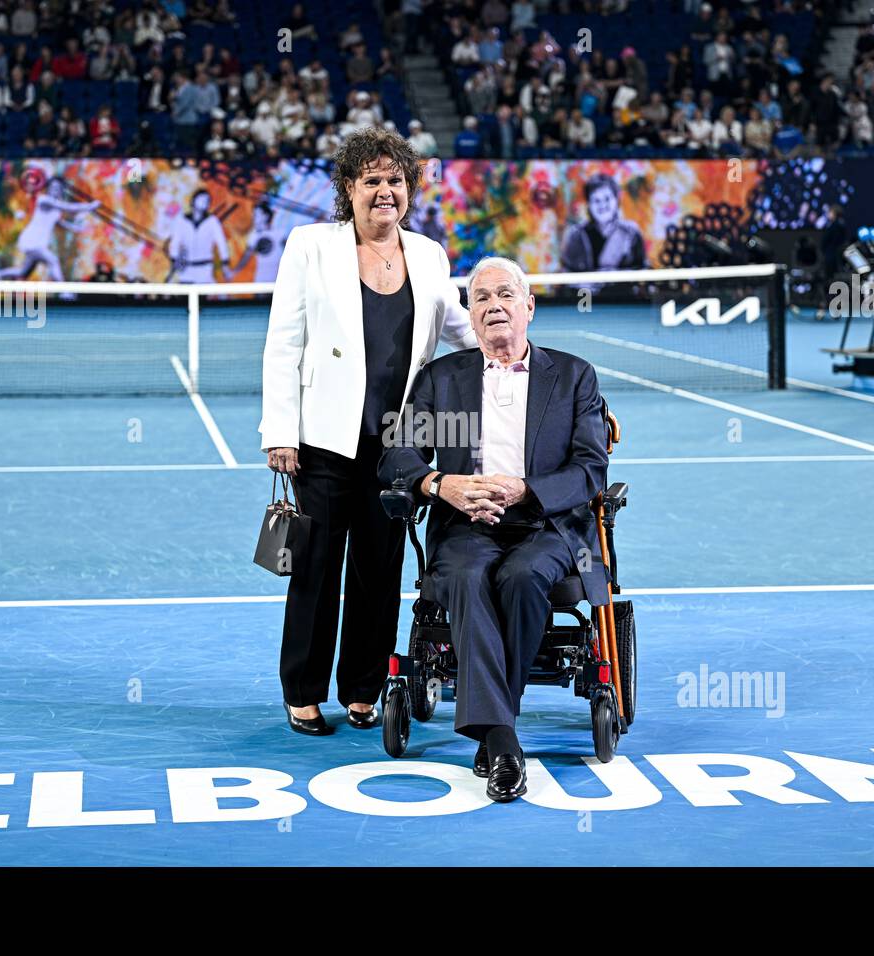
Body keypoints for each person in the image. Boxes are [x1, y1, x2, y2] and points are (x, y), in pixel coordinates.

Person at [260, 127, 478, 736]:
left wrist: (519, 358)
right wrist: (280, 429)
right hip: (323, 441)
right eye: (372, 181)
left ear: (408, 189)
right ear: (348, 188)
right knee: (316, 569)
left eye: (395, 181)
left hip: (398, 449)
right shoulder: (309, 246)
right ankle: (303, 691)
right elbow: (284, 343)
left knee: (379, 575)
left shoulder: (430, 255)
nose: (385, 192)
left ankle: (363, 687)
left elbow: (461, 332)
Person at [377, 256, 609, 802]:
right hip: (466, 522)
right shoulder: (442, 377)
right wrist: (441, 484)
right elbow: (398, 453)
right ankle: (503, 738)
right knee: (465, 576)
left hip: (547, 526)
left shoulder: (575, 376)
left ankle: (492, 729)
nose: (494, 305)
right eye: (481, 298)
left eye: (506, 294)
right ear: (471, 316)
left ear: (529, 307)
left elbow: (590, 469)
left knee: (522, 577)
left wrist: (527, 490)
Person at [0, 178, 99, 281]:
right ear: (48, 188)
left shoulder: (56, 208)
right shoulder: (44, 199)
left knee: (23, 272)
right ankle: (64, 292)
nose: (55, 190)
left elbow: (60, 223)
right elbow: (67, 207)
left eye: (58, 188)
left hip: (40, 242)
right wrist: (89, 206)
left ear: (61, 190)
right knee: (53, 260)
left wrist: (76, 228)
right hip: (32, 240)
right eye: (53, 187)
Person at [560, 173, 647, 272]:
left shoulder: (631, 233)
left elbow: (642, 271)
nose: (602, 205)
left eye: (607, 199)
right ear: (589, 205)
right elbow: (566, 273)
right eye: (596, 200)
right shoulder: (576, 235)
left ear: (616, 200)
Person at [169, 189, 229, 282]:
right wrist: (174, 259)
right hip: (186, 270)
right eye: (201, 199)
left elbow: (221, 242)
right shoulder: (182, 220)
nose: (204, 202)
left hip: (205, 269)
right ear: (193, 201)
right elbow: (175, 242)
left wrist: (225, 262)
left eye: (206, 200)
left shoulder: (212, 221)